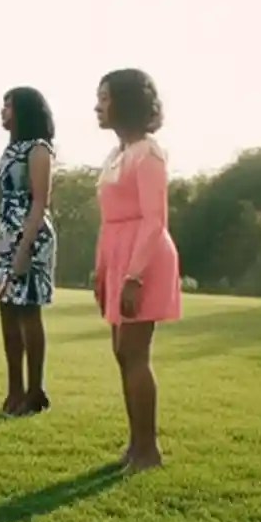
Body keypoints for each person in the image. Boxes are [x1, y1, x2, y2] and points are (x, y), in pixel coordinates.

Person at [93, 68, 180, 474]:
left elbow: (154, 219)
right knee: (120, 353)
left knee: (134, 352)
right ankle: (136, 445)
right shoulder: (116, 156)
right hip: (118, 255)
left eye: (105, 97)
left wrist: (133, 275)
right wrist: (101, 269)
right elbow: (110, 219)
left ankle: (148, 451)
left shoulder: (148, 153)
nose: (98, 106)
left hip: (143, 259)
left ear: (125, 102)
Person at [0, 86, 57, 417]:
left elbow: (39, 203)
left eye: (8, 106)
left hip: (31, 238)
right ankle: (13, 389)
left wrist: (23, 249)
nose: (3, 111)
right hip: (6, 237)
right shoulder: (10, 150)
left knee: (28, 311)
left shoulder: (38, 150)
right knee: (6, 311)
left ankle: (35, 390)